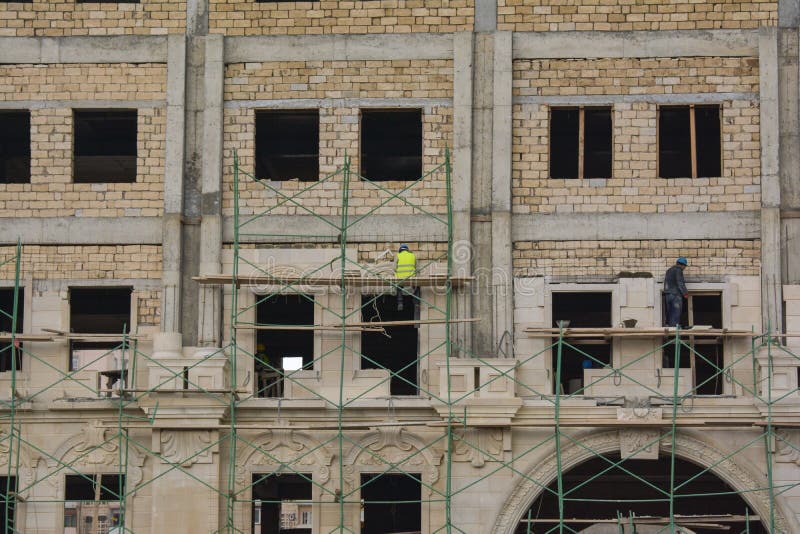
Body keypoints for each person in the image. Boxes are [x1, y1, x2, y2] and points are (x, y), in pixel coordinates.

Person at [664, 257, 689, 327]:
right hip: (675, 295)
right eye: (685, 266)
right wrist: (685, 293)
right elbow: (680, 283)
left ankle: (670, 332)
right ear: (682, 265)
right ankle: (676, 334)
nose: (684, 268)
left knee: (670, 314)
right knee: (676, 314)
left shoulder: (668, 270)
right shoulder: (678, 270)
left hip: (667, 295)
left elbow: (666, 283)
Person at [394, 244, 416, 311]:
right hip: (411, 277)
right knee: (416, 286)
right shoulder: (412, 255)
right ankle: (415, 301)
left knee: (399, 288)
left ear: (400, 250)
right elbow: (416, 266)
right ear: (407, 250)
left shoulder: (398, 255)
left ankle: (400, 303)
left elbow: (394, 268)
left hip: (400, 278)